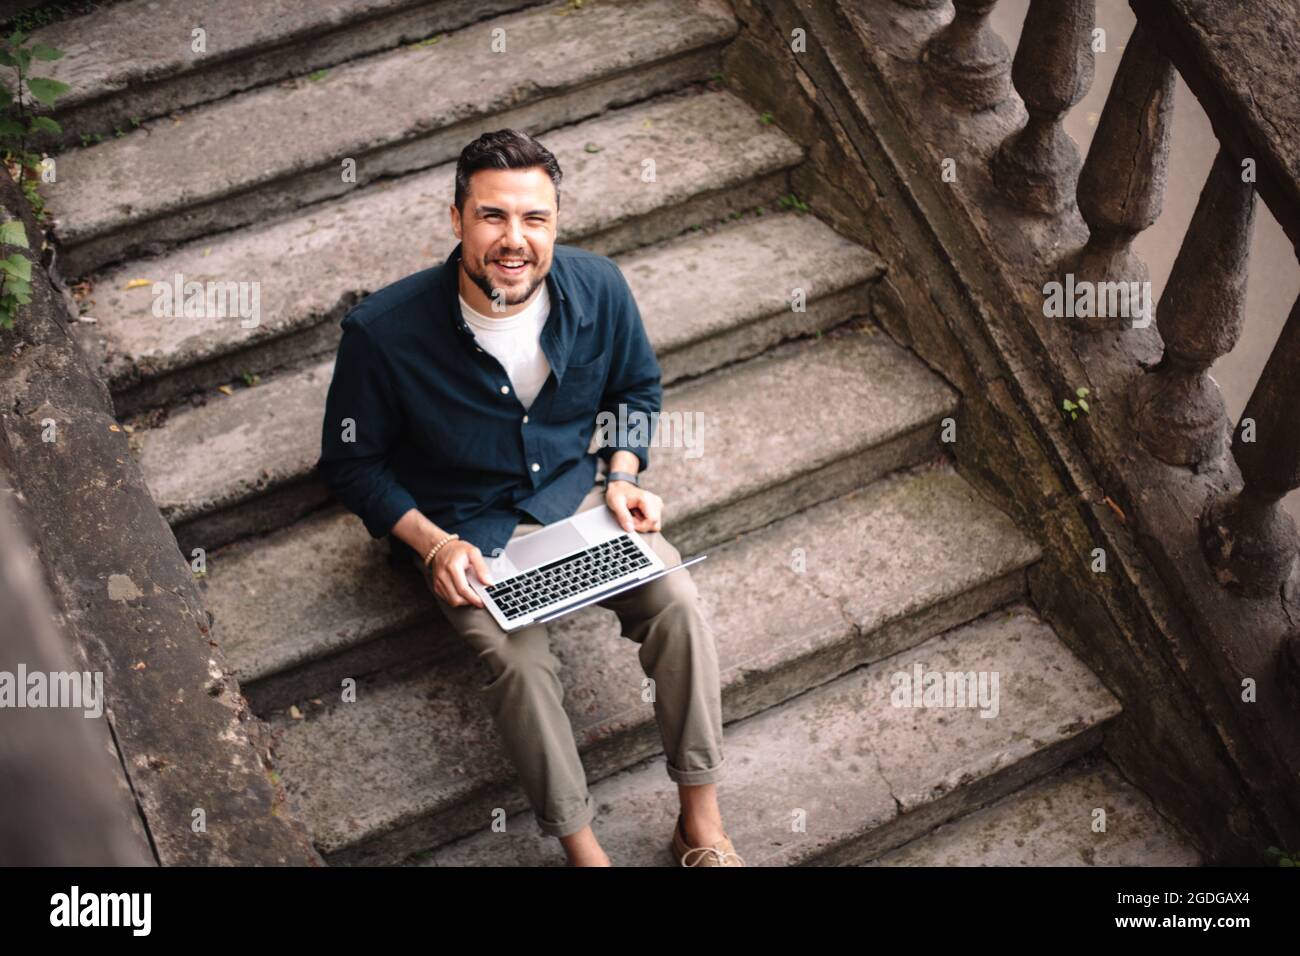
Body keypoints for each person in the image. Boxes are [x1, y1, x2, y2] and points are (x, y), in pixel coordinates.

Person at [316, 129, 743, 867]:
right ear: (456, 220)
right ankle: (584, 851)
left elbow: (635, 389)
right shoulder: (381, 336)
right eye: (492, 216)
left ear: (555, 223)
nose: (514, 240)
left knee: (676, 599)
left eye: (534, 219)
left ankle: (699, 824)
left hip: (575, 498)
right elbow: (351, 465)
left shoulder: (600, 287)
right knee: (518, 664)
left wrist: (623, 474)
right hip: (460, 529)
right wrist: (432, 544)